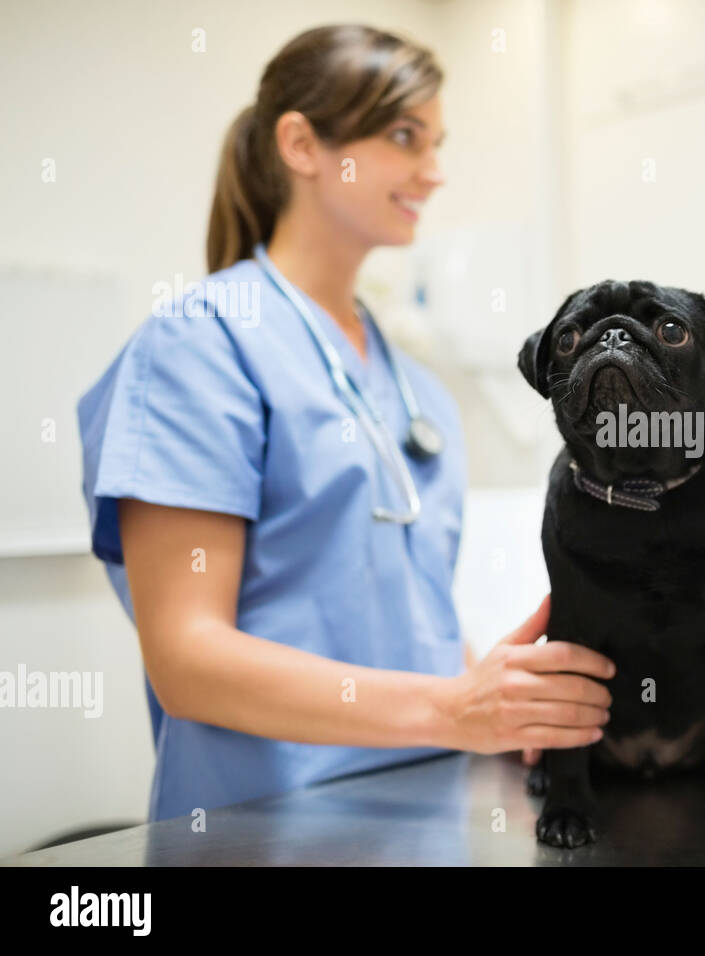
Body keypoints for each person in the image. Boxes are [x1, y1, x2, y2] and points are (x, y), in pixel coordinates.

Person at [77, 24, 612, 823]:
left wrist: (504, 699)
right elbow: (185, 659)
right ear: (301, 144)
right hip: (256, 826)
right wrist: (451, 706)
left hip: (424, 813)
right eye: (404, 137)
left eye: (438, 142)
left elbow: (404, 634)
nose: (433, 172)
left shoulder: (419, 391)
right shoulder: (201, 343)